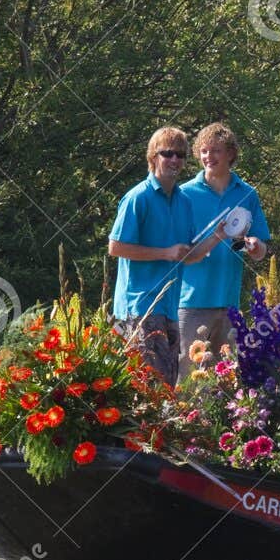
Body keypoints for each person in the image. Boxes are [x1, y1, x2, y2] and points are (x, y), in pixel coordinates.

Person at [107, 126, 218, 384]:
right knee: (143, 389)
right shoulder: (138, 198)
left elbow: (187, 256)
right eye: (168, 153)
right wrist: (165, 252)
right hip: (138, 310)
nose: (175, 160)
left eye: (180, 155)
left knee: (165, 388)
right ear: (153, 157)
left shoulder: (183, 201)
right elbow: (116, 247)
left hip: (169, 307)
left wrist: (219, 235)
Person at [178, 122, 271, 377]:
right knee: (188, 381)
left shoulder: (247, 194)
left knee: (225, 383)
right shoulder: (184, 194)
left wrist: (252, 246)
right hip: (190, 303)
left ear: (231, 153)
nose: (208, 157)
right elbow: (178, 251)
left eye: (215, 150)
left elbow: (260, 248)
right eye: (204, 151)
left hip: (229, 304)